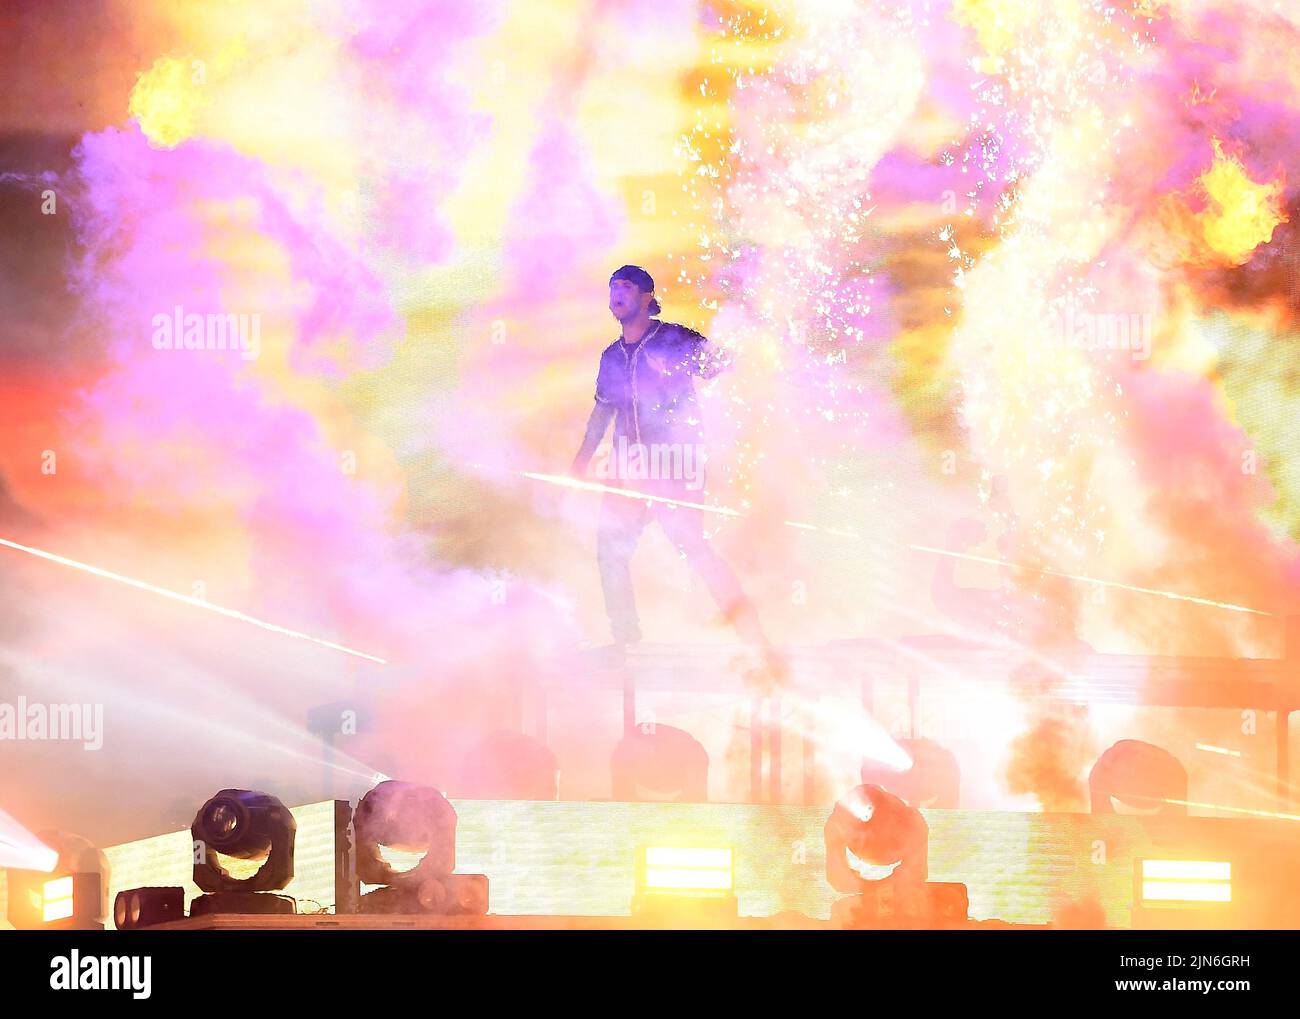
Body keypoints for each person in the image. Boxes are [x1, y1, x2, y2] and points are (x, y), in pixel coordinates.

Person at [571, 265, 777, 668]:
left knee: (693, 547)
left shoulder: (673, 338)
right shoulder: (610, 356)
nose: (617, 293)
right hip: (627, 468)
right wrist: (582, 458)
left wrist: (680, 367)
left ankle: (753, 635)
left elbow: (724, 365)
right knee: (610, 550)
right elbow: (603, 410)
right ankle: (625, 640)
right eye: (612, 287)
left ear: (647, 296)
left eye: (626, 287)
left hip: (673, 463)